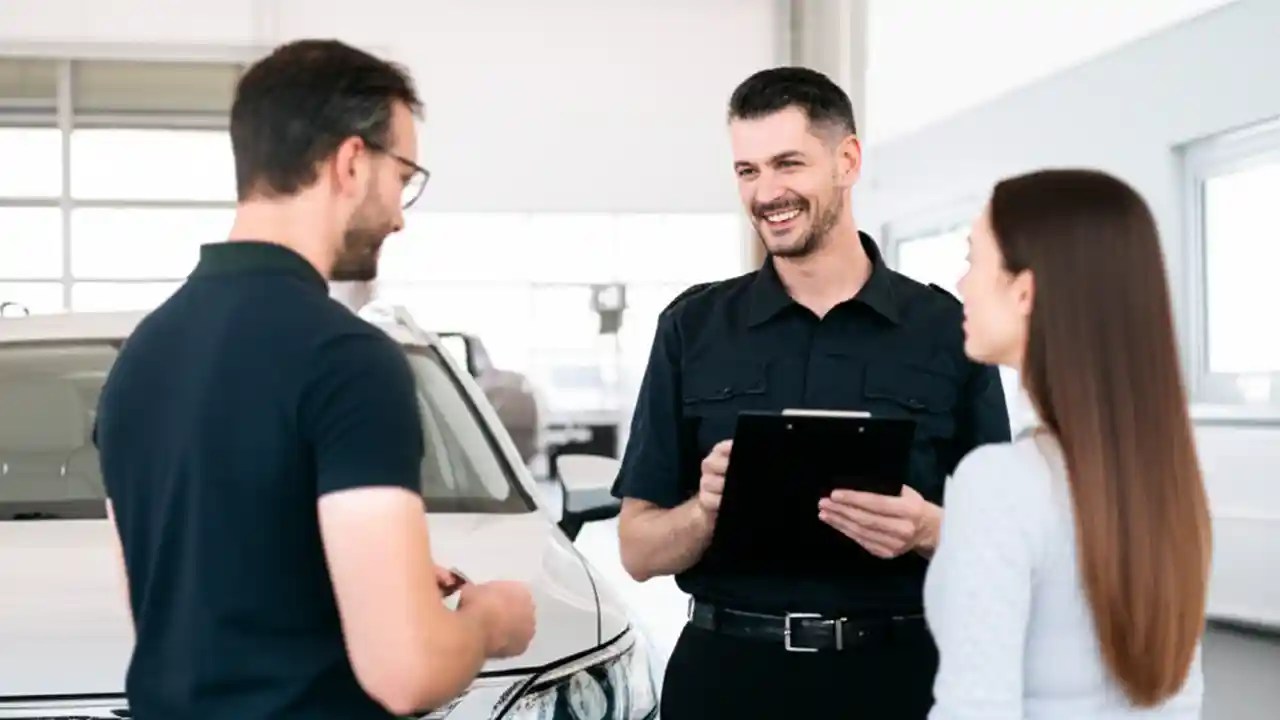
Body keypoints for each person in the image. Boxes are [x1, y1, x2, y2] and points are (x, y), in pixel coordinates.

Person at [94, 39, 536, 720]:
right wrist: (489, 620)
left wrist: (355, 580)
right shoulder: (348, 360)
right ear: (352, 162)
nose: (400, 217)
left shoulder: (139, 359)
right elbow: (408, 674)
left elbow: (178, 604)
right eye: (404, 177)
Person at [612, 66, 1011, 718]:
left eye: (787, 164)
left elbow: (1002, 547)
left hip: (899, 682)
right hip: (725, 683)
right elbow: (636, 549)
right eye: (747, 171)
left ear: (847, 161)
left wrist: (927, 528)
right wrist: (705, 511)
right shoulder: (691, 328)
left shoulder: (947, 331)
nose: (766, 193)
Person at [924, 168, 1210, 718]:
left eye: (973, 261)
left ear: (1024, 291)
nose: (961, 285)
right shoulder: (1167, 478)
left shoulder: (999, 482)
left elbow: (974, 710)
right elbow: (1181, 699)